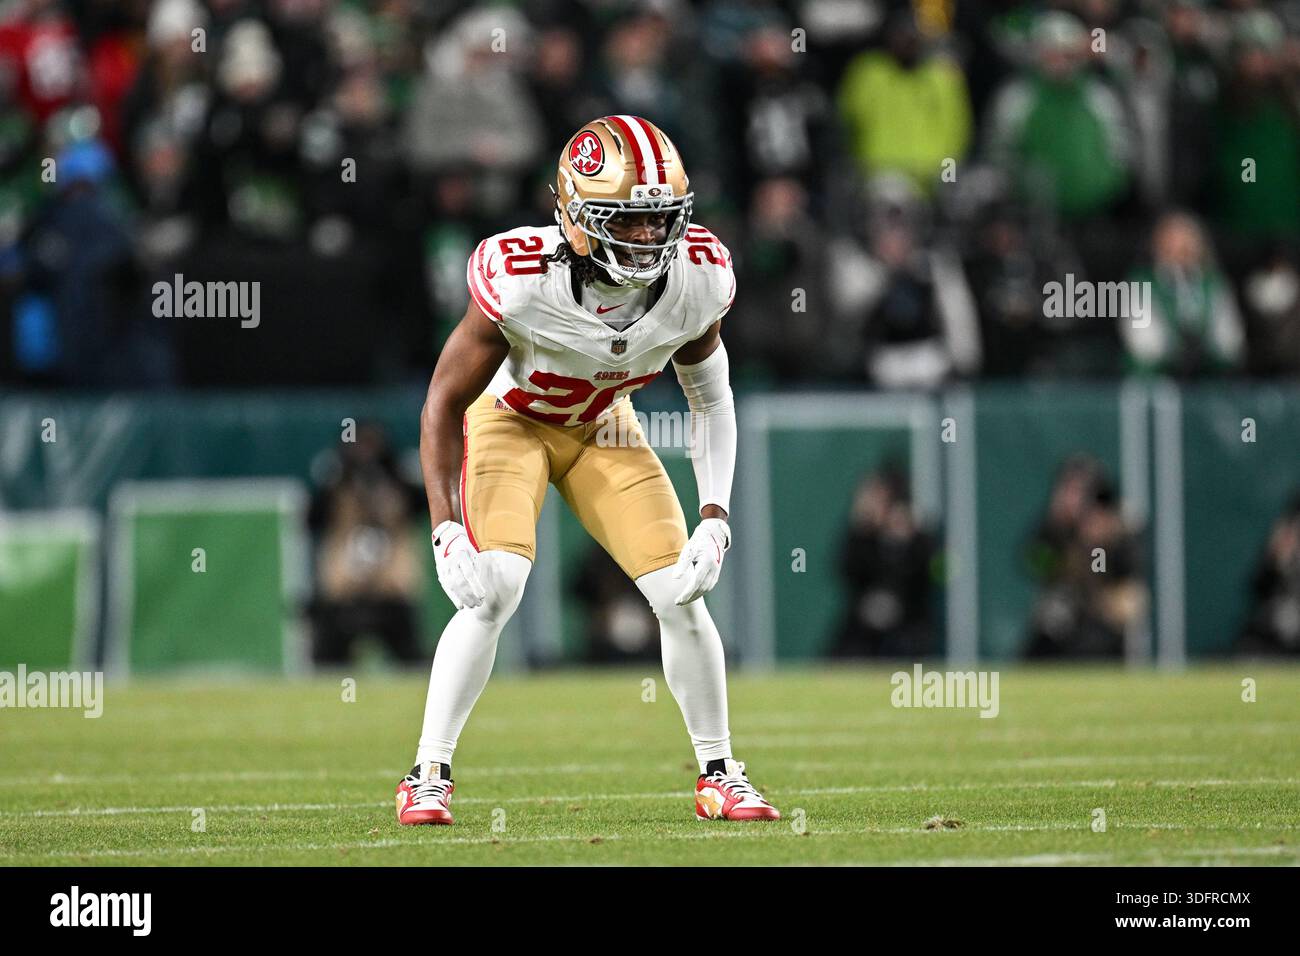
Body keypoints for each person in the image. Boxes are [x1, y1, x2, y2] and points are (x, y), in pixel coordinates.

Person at [396, 116, 780, 825]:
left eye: (658, 221)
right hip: (510, 423)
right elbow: (444, 401)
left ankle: (720, 773)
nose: (646, 239)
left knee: (679, 591)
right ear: (574, 214)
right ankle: (427, 773)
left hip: (606, 427)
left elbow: (711, 396)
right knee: (493, 588)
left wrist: (717, 519)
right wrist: (446, 530)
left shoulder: (699, 277)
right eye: (626, 222)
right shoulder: (519, 280)